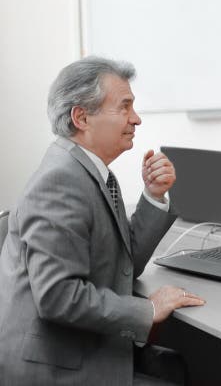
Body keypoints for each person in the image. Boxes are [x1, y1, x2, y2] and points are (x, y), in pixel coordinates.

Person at [0, 57, 204, 385]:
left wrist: (153, 195)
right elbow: (57, 296)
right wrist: (148, 309)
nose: (136, 119)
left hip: (79, 350)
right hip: (55, 369)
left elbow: (123, 264)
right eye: (124, 107)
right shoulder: (60, 182)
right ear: (81, 117)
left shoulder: (87, 171)